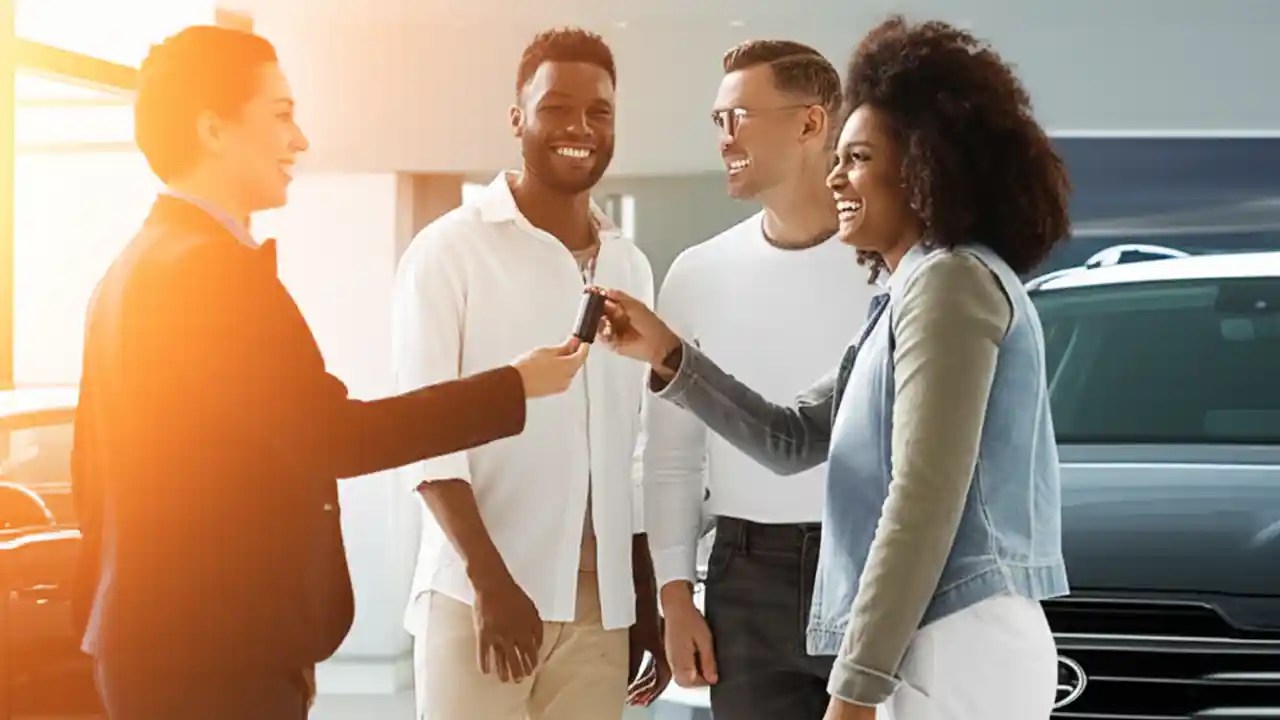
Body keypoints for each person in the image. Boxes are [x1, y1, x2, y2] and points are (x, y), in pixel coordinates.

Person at [70, 26, 587, 720]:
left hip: (179, 646)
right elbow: (331, 435)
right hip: (212, 657)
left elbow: (92, 475)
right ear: (213, 129)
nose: (300, 141)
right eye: (281, 114)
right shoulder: (203, 272)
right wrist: (514, 386)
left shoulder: (142, 263)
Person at [596, 16, 1073, 720]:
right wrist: (667, 353)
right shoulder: (905, 294)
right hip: (928, 643)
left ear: (919, 168)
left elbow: (922, 504)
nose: (837, 176)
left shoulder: (950, 286)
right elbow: (791, 440)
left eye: (857, 159)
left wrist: (853, 689)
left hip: (957, 645)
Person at [394, 27, 670, 720]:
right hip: (479, 599)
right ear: (518, 118)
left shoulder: (629, 265)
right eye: (556, 108)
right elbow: (426, 439)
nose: (579, 127)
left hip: (597, 611)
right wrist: (490, 583)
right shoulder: (447, 253)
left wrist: (640, 599)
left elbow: (634, 448)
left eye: (599, 112)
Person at [643, 40, 876, 719]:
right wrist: (676, 594)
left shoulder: (891, 264)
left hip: (869, 568)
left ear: (811, 124)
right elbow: (671, 457)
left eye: (739, 116)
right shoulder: (696, 273)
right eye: (717, 121)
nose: (725, 138)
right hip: (741, 581)